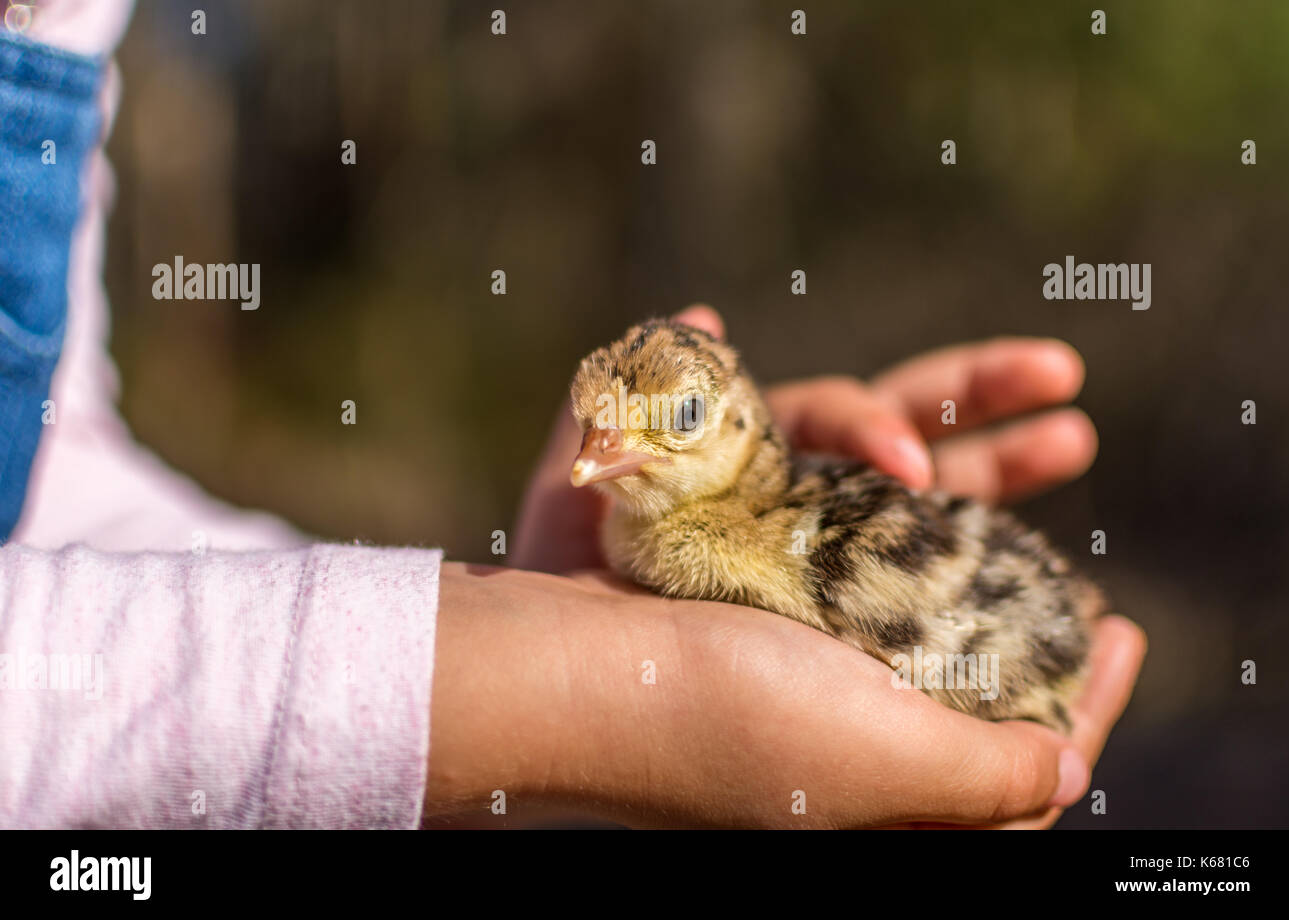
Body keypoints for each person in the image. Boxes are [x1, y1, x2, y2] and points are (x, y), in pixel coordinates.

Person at [0, 4, 1143, 829]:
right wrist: (519, 696)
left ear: (742, 431)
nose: (603, 448)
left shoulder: (764, 549)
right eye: (599, 419)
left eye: (672, 417)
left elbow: (54, 467)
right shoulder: (687, 538)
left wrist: (475, 661)